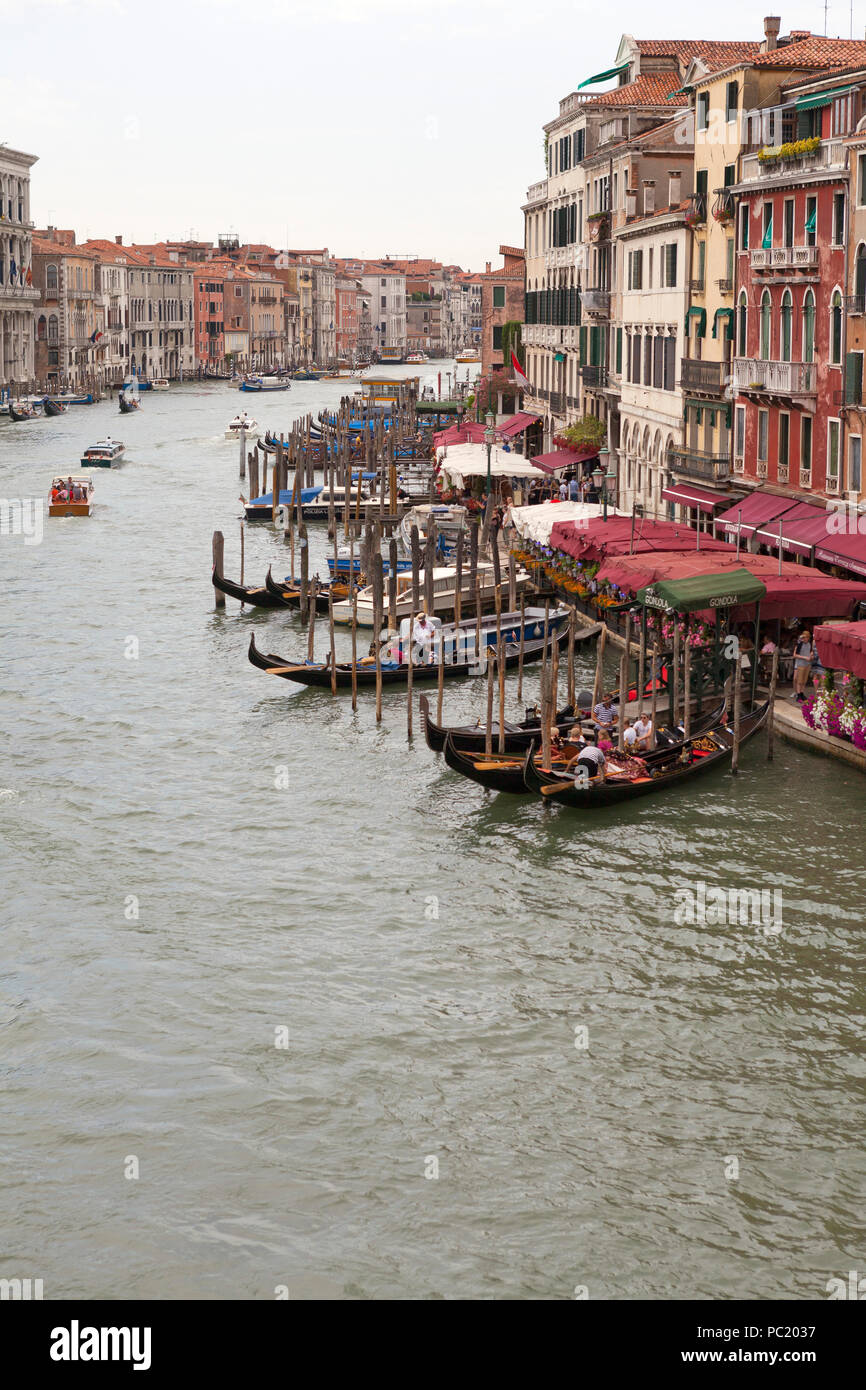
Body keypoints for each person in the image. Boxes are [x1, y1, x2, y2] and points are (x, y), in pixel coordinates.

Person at [793, 629, 813, 701]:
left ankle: (802, 693)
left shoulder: (809, 644)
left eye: (807, 637)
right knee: (799, 680)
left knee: (804, 680)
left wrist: (811, 656)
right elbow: (795, 655)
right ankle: (798, 694)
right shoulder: (799, 644)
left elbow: (810, 652)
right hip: (801, 664)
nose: (806, 639)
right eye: (804, 637)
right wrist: (804, 657)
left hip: (807, 664)